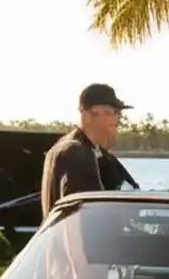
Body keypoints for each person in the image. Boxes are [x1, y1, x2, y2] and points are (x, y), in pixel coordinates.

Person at [40, 83, 138, 220]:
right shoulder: (76, 153)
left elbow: (133, 192)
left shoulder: (91, 152)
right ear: (88, 115)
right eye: (112, 112)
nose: (116, 120)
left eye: (117, 113)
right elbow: (79, 216)